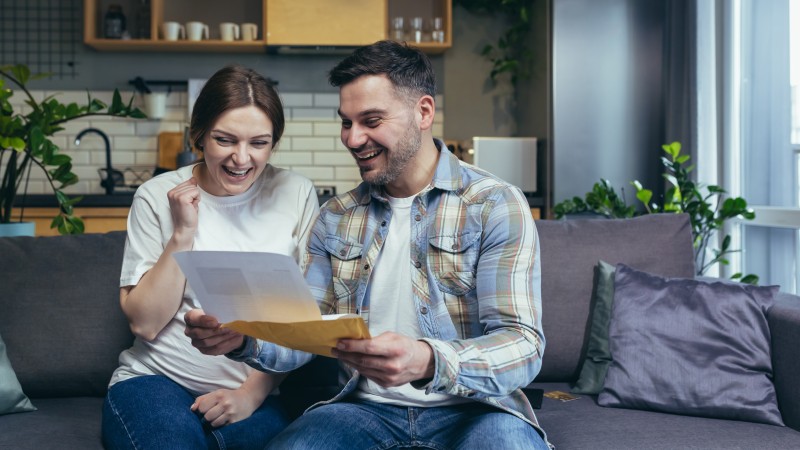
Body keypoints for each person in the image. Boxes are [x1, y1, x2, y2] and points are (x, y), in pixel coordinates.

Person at [186, 41, 549, 449]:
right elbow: (303, 334)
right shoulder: (337, 216)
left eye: (371, 120)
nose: (354, 139)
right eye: (346, 122)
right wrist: (242, 340)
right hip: (361, 410)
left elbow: (523, 345)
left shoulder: (494, 204)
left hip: (476, 409)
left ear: (423, 112)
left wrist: (428, 360)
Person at [101, 65, 320, 450]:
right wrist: (183, 232)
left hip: (254, 389)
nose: (241, 158)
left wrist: (250, 394)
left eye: (259, 143)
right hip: (156, 381)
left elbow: (303, 323)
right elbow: (146, 323)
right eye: (225, 140)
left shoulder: (296, 193)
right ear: (198, 136)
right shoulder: (156, 195)